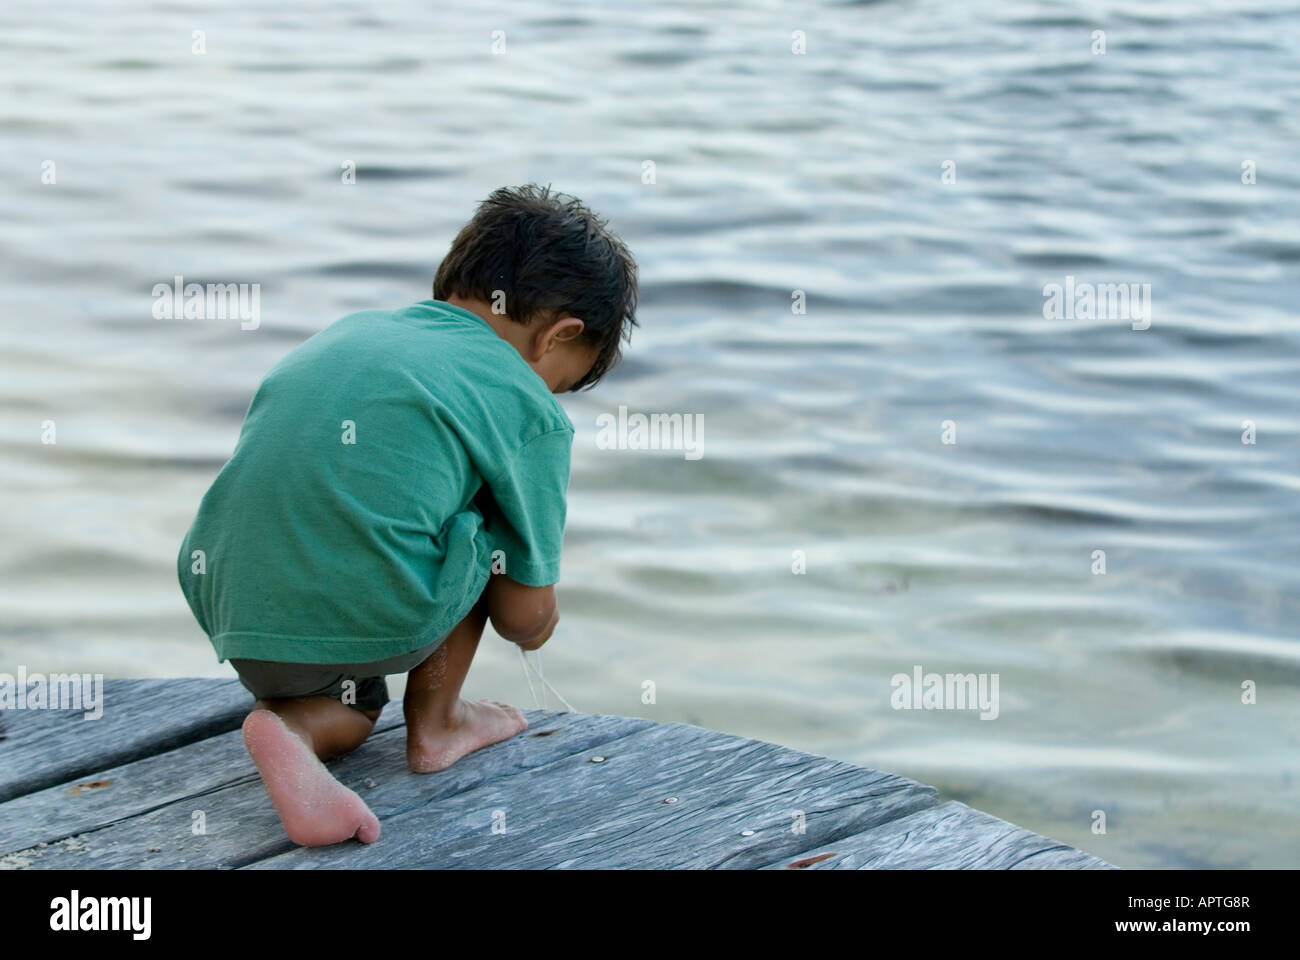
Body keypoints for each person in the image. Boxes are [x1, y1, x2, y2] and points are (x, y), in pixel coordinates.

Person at [176, 184, 638, 846]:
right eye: (562, 382)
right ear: (560, 335)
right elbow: (520, 616)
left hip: (231, 605)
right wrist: (538, 622)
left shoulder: (351, 332)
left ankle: (287, 728)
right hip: (367, 608)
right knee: (486, 527)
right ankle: (438, 725)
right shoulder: (519, 399)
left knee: (354, 707)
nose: (550, 397)